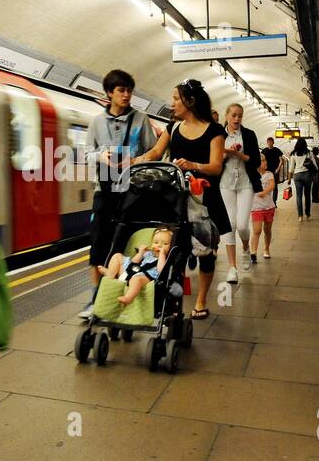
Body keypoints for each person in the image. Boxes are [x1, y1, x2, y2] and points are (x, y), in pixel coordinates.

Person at [132, 79, 228, 319]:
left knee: (206, 252)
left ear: (190, 101)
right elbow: (155, 152)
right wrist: (135, 162)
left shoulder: (214, 130)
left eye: (176, 98)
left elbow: (216, 166)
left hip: (205, 199)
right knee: (175, 251)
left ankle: (201, 299)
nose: (172, 103)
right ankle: (172, 303)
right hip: (177, 198)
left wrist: (193, 165)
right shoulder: (172, 127)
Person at [80, 69, 156, 318]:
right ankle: (96, 297)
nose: (126, 95)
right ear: (109, 93)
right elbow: (86, 153)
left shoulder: (140, 120)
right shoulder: (96, 122)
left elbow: (152, 153)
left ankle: (124, 291)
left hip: (134, 191)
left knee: (126, 242)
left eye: (129, 90)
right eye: (121, 90)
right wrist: (100, 155)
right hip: (104, 189)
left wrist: (135, 161)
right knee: (98, 242)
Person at [218, 103, 261, 278]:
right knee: (230, 224)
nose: (237, 119)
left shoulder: (249, 135)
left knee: (243, 225)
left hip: (245, 183)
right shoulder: (218, 135)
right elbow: (214, 160)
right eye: (234, 115)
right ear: (226, 116)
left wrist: (240, 155)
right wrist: (227, 153)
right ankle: (232, 268)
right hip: (225, 183)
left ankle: (245, 248)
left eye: (240, 116)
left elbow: (256, 161)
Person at [98, 227, 172, 305]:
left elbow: (161, 270)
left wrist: (162, 255)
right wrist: (140, 253)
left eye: (165, 244)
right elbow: (133, 262)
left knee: (136, 280)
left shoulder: (164, 259)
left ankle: (128, 298)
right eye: (156, 242)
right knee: (117, 256)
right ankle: (110, 274)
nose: (159, 245)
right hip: (130, 271)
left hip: (145, 276)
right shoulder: (148, 253)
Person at [249, 154, 276, 259]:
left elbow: (272, 185)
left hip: (269, 207)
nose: (265, 162)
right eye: (262, 161)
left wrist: (263, 192)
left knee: (267, 230)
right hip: (256, 208)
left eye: (265, 160)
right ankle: (253, 252)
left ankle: (266, 248)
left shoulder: (269, 174)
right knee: (257, 231)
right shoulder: (251, 175)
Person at [289, 136, 315, 221]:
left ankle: (300, 216)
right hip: (307, 175)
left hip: (297, 175)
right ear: (305, 144)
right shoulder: (309, 153)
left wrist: (289, 179)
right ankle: (307, 214)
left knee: (299, 196)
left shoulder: (293, 154)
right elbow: (315, 165)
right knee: (307, 195)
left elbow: (291, 168)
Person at [261, 137, 285, 207]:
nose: (269, 143)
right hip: (266, 171)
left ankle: (274, 202)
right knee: (265, 186)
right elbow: (261, 159)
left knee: (274, 187)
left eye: (271, 142)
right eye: (268, 142)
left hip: (275, 171)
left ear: (273, 142)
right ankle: (266, 202)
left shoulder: (277, 150)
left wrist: (278, 168)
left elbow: (281, 160)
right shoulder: (264, 151)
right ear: (267, 143)